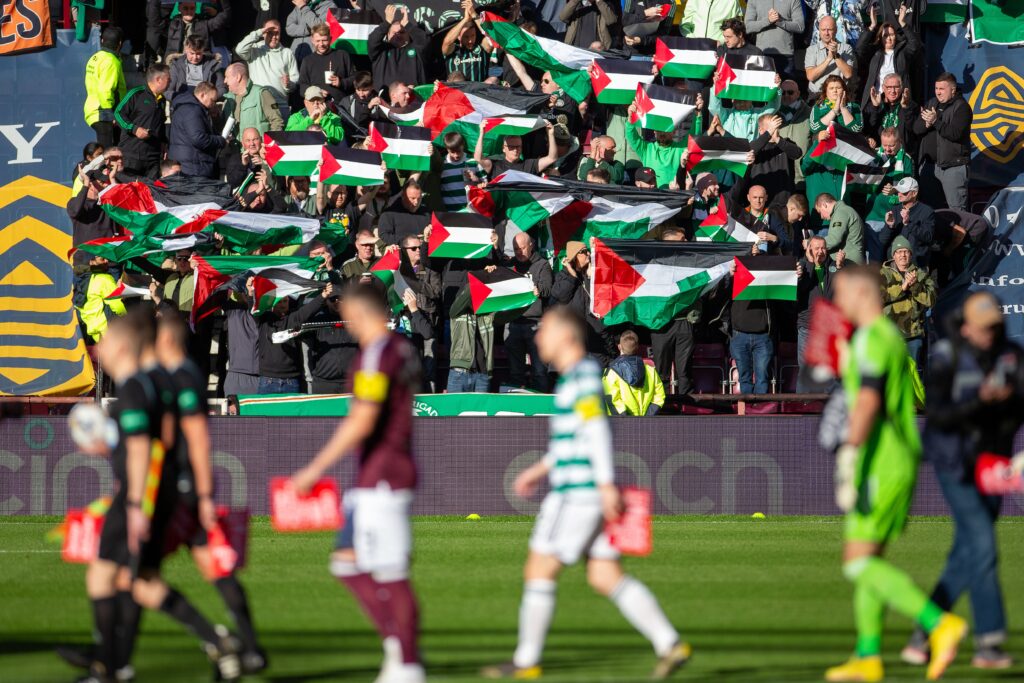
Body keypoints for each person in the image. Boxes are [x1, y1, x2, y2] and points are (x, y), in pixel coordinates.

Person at [481, 306, 689, 679]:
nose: (539, 337)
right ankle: (670, 642)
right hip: (586, 488)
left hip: (578, 493)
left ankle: (526, 661)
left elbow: (596, 430)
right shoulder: (580, 377)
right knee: (604, 574)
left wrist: (606, 484)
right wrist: (538, 470)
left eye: (545, 331)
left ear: (566, 336)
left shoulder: (582, 376)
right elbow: (575, 438)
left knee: (540, 567)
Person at [823, 265, 966, 683]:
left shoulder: (871, 337)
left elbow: (867, 402)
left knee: (856, 564)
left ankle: (938, 623)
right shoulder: (888, 338)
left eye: (842, 294)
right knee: (871, 560)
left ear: (862, 294)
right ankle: (867, 656)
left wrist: (849, 454)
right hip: (896, 457)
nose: (838, 302)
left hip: (879, 460)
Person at [92, 311, 241, 683]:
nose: (98, 348)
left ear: (123, 346)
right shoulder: (150, 384)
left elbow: (143, 447)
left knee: (103, 578)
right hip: (150, 495)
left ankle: (109, 667)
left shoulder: (135, 387)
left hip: (140, 499)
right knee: (140, 582)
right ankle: (213, 640)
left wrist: (134, 503)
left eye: (105, 341)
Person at [291, 281, 425, 683]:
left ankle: (408, 663)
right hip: (377, 474)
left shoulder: (377, 353)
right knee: (346, 563)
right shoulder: (400, 350)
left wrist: (314, 470)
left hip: (383, 477)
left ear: (361, 314)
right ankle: (396, 650)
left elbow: (363, 420)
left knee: (389, 573)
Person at [901, 292, 1024, 671]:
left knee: (966, 553)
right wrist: (982, 401)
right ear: (967, 326)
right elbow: (938, 415)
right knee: (984, 548)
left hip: (993, 463)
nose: (990, 334)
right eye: (983, 328)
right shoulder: (947, 356)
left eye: (995, 327)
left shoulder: (1012, 356)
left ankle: (924, 631)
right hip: (953, 461)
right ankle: (989, 643)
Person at [154, 311, 267, 674]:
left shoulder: (184, 378)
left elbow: (198, 440)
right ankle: (246, 647)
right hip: (178, 488)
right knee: (213, 569)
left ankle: (112, 661)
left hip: (183, 491)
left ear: (167, 339)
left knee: (138, 575)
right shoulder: (175, 378)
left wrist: (203, 495)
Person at [254, 282, 333, 394]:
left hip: (291, 382)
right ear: (272, 304)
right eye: (279, 302)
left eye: (285, 301)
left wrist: (323, 295)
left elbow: (309, 309)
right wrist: (251, 293)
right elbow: (253, 308)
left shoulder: (293, 318)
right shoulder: (263, 320)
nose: (283, 305)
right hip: (268, 381)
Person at [913, 73, 972, 211]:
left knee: (957, 212)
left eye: (942, 89)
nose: (938, 92)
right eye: (936, 88)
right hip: (929, 167)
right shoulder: (932, 102)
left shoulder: (962, 107)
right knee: (929, 209)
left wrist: (935, 122)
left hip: (952, 167)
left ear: (953, 89)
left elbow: (955, 134)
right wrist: (927, 124)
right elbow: (916, 128)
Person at [503, 232, 552, 391]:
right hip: (513, 323)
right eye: (516, 249)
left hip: (536, 324)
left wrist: (539, 290)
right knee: (515, 371)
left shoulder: (542, 265)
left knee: (539, 371)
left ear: (531, 245)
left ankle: (541, 409)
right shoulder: (510, 266)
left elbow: (548, 288)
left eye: (522, 248)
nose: (519, 252)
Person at [795, 236, 843, 392]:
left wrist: (841, 267)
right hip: (807, 326)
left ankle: (829, 406)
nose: (820, 252)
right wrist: (809, 264)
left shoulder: (833, 267)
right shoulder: (801, 267)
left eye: (823, 248)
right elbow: (798, 290)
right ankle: (801, 407)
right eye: (816, 248)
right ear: (809, 249)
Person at [880, 235, 936, 369]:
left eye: (906, 251)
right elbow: (878, 297)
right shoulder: (883, 273)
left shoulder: (921, 274)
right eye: (899, 252)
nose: (902, 255)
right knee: (893, 371)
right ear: (893, 255)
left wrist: (915, 286)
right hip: (890, 332)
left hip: (913, 333)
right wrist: (903, 287)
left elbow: (931, 300)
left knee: (916, 371)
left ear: (911, 255)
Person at [857, 6, 921, 118]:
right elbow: (859, 48)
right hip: (878, 97)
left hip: (898, 98)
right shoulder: (874, 53)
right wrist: (872, 25)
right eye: (885, 35)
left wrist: (902, 23)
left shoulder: (903, 52)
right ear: (880, 38)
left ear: (895, 37)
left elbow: (915, 44)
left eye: (891, 35)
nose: (888, 38)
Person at [114, 64, 171, 178]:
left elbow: (161, 123)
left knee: (150, 193)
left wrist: (164, 143)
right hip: (132, 156)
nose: (171, 82)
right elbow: (118, 113)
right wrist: (134, 129)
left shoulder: (162, 100)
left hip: (153, 158)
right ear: (158, 80)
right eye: (168, 79)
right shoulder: (136, 93)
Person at [234, 19, 299, 114]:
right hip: (258, 103)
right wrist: (259, 32)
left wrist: (288, 84)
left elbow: (295, 79)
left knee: (278, 129)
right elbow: (239, 49)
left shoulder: (287, 53)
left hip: (279, 104)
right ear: (264, 33)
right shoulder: (255, 49)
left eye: (277, 33)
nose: (274, 37)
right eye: (270, 33)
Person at [169, 81, 227, 179]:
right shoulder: (193, 110)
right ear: (202, 95)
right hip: (194, 166)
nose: (213, 104)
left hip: (187, 161)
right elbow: (198, 138)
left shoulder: (186, 107)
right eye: (212, 100)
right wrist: (221, 141)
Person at [307, 289, 361, 393]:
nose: (337, 302)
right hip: (323, 383)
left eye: (340, 298)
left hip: (351, 382)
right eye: (332, 299)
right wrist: (320, 300)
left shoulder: (357, 320)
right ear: (327, 301)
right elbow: (301, 317)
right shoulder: (317, 320)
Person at [604, 329, 666, 416]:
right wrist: (648, 416)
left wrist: (624, 418)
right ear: (638, 348)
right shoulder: (651, 370)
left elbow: (612, 398)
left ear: (619, 347)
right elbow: (659, 396)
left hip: (621, 424)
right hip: (646, 421)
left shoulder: (611, 373)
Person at [368, 5, 429, 91]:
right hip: (385, 100)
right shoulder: (380, 51)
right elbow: (372, 40)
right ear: (387, 35)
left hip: (414, 98)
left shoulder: (417, 48)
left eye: (402, 32)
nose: (398, 35)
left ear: (408, 34)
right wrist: (386, 23)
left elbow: (424, 41)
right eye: (394, 33)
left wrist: (408, 25)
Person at [84, 25, 127, 149]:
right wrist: (110, 114)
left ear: (102, 40)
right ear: (119, 44)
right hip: (103, 112)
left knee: (107, 152)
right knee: (108, 153)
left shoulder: (95, 58)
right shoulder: (111, 61)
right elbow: (105, 89)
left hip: (93, 109)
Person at [624, 104, 687, 188]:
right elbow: (632, 137)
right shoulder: (647, 149)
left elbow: (694, 137)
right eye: (659, 129)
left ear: (674, 131)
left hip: (674, 196)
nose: (662, 133)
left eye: (666, 129)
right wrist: (630, 118)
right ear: (654, 131)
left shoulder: (680, 149)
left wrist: (698, 115)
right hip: (652, 196)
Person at [881, 177, 934, 268]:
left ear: (914, 193)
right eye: (898, 191)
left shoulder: (927, 211)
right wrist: (889, 226)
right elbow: (882, 240)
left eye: (904, 192)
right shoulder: (894, 210)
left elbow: (928, 237)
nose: (899, 194)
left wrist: (908, 223)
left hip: (916, 265)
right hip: (894, 264)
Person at [73, 256, 126, 344]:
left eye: (106, 258)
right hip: (109, 330)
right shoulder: (104, 279)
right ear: (91, 262)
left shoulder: (84, 279)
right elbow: (118, 305)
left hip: (94, 331)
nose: (106, 261)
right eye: (102, 259)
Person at [223, 62, 285, 137]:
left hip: (260, 148)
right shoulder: (229, 100)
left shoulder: (262, 94)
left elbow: (277, 121)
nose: (225, 81)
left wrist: (268, 145)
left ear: (238, 77)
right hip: (236, 148)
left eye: (227, 77)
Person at [744, 0, 803, 77]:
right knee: (763, 88)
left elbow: (800, 27)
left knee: (787, 87)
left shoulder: (793, 1)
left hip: (786, 54)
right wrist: (768, 20)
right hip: (762, 54)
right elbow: (748, 27)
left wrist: (780, 22)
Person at [298, 23, 353, 104]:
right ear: (312, 40)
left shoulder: (342, 55)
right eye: (318, 41)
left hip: (342, 106)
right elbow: (302, 87)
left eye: (324, 40)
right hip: (317, 106)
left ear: (330, 39)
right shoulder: (307, 61)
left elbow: (355, 79)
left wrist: (341, 82)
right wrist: (316, 92)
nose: (321, 44)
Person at [442, 0, 494, 82]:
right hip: (457, 93)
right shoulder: (452, 51)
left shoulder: (482, 49)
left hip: (478, 93)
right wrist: (465, 19)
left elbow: (491, 37)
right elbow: (447, 42)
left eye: (473, 36)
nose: (470, 40)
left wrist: (473, 14)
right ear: (458, 36)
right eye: (466, 37)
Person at [804, 16, 855, 98]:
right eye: (823, 30)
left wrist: (836, 55)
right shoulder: (811, 50)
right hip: (817, 95)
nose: (826, 33)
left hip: (839, 95)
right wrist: (828, 59)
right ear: (819, 31)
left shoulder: (846, 48)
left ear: (836, 30)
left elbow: (848, 74)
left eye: (830, 30)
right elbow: (810, 76)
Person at [167, 35, 226, 100]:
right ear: (186, 49)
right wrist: (179, 98)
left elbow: (222, 89)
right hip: (182, 99)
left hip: (205, 100)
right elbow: (168, 90)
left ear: (203, 51)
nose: (195, 57)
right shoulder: (177, 65)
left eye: (198, 54)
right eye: (192, 53)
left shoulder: (213, 65)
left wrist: (209, 98)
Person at [776, 80, 812, 185]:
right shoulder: (773, 113)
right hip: (780, 174)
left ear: (798, 93)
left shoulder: (810, 113)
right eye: (783, 92)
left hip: (802, 175)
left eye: (790, 92)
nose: (786, 95)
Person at [436, 131, 483, 211]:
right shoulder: (441, 164)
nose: (456, 155)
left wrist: (476, 180)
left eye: (458, 151)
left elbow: (486, 185)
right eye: (452, 152)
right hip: (450, 212)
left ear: (463, 146)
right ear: (447, 149)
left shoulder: (473, 161)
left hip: (472, 211)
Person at [816, 193, 865, 264]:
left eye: (820, 212)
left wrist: (813, 245)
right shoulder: (843, 211)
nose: (821, 217)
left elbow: (834, 239)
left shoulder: (840, 212)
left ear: (824, 205)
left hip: (849, 262)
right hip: (850, 260)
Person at [678, 0, 744, 41]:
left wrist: (722, 42)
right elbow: (685, 23)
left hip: (719, 50)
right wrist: (692, 39)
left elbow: (736, 28)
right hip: (695, 48)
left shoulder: (732, 1)